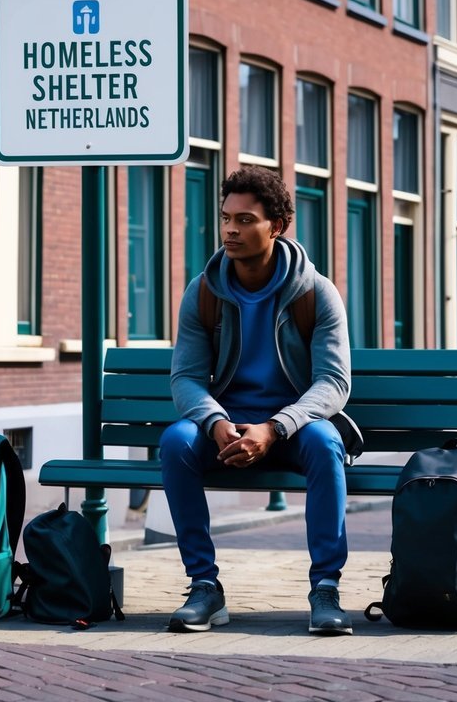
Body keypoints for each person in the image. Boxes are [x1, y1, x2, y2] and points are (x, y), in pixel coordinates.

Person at [161, 165, 353, 636]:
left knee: (327, 443)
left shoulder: (315, 293)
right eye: (226, 217)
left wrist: (276, 427)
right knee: (175, 441)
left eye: (246, 220)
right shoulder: (204, 291)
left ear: (277, 226)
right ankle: (204, 586)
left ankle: (325, 587)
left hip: (294, 428)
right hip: (226, 428)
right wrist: (214, 421)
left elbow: (333, 383)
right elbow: (185, 378)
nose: (231, 229)